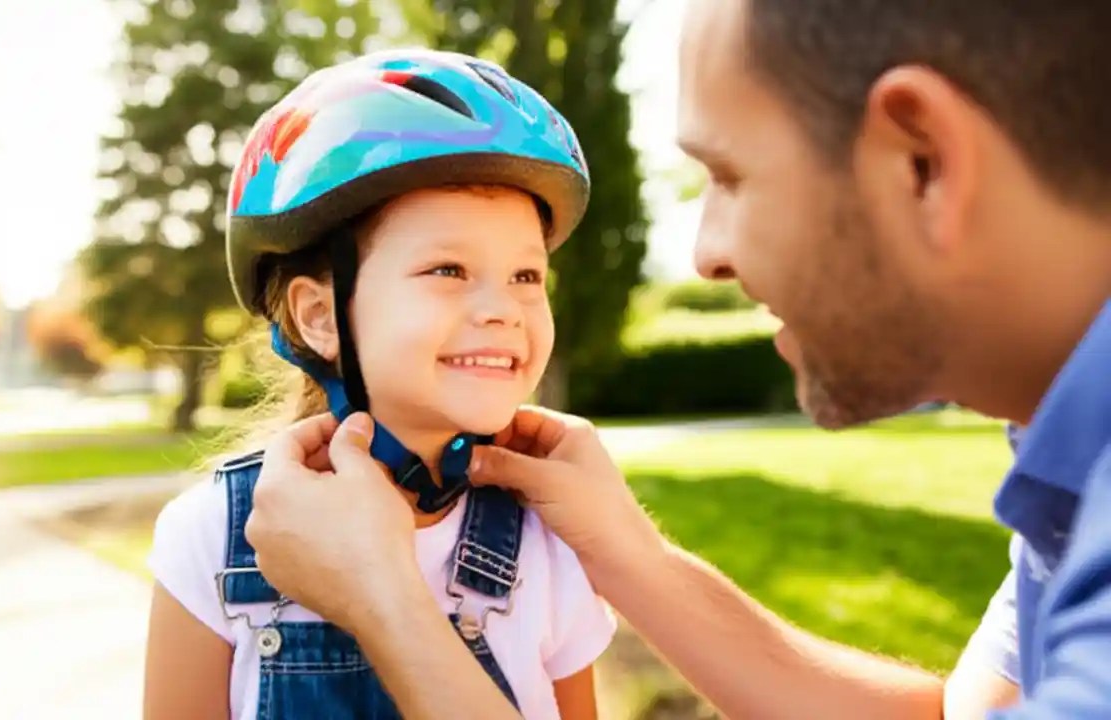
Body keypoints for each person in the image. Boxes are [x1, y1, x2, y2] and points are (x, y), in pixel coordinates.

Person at [242, 0, 1111, 718]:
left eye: (728, 178)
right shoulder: (1071, 487)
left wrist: (385, 604)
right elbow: (966, 715)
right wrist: (632, 559)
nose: (705, 256)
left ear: (924, 163)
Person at [142, 48, 616, 720]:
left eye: (526, 276)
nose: (503, 308)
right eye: (448, 269)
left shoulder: (550, 537)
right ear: (320, 317)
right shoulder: (214, 535)